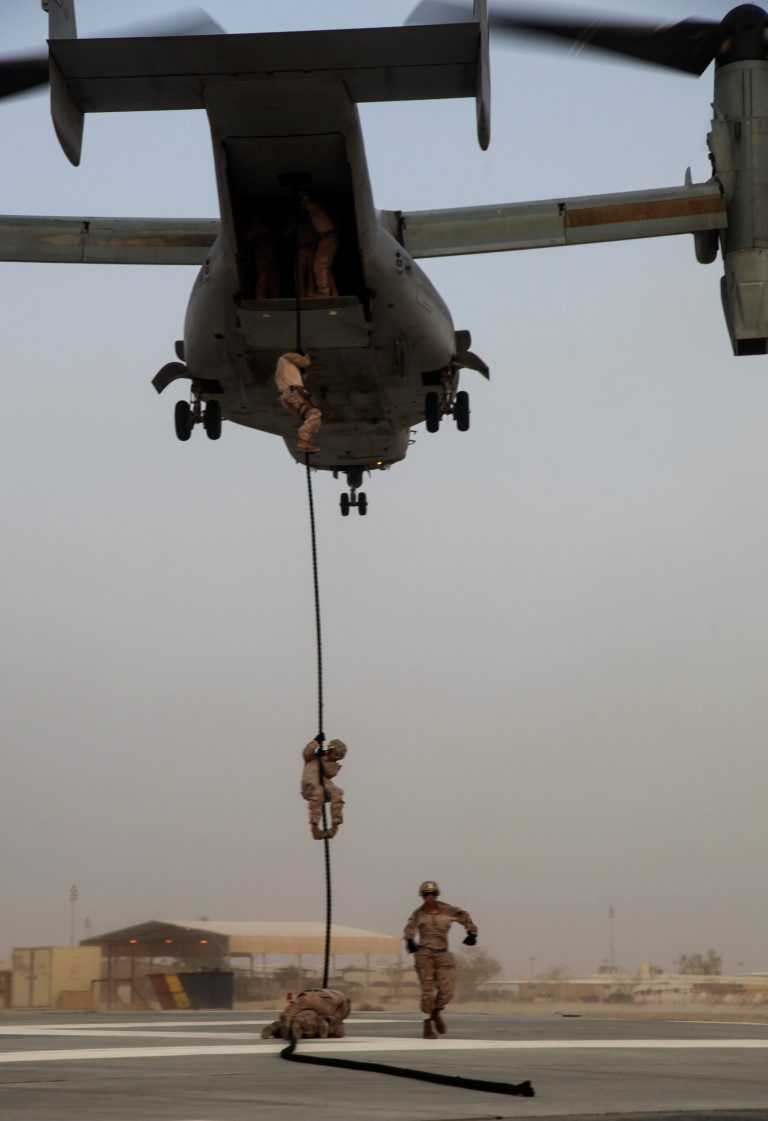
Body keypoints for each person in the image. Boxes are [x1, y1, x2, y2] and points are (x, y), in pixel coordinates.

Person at [403, 880, 478, 1039]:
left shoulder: (447, 910)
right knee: (428, 993)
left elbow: (464, 916)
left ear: (437, 895)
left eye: (433, 894)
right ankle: (427, 1024)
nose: (430, 897)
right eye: (426, 895)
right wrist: (410, 940)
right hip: (425, 954)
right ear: (422, 897)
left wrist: (471, 933)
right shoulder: (418, 914)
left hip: (443, 954)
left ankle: (436, 1011)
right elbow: (410, 926)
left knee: (447, 991)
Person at [274, 351, 321, 454]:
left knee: (309, 419)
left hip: (287, 397)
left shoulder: (285, 369)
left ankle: (306, 440)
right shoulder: (287, 356)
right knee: (314, 414)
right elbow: (304, 363)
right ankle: (304, 442)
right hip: (294, 393)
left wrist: (302, 373)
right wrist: (306, 356)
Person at [260, 988, 351, 1041]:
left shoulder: (335, 993)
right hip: (325, 1001)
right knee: (317, 1023)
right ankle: (316, 1024)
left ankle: (279, 1025)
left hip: (305, 996)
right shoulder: (343, 1005)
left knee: (294, 1015)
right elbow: (339, 1028)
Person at [301, 737, 347, 840]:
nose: (335, 759)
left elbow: (330, 772)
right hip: (311, 783)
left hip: (324, 784)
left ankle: (334, 827)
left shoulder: (331, 764)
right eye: (335, 755)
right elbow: (306, 753)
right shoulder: (313, 757)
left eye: (338, 758)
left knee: (337, 793)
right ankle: (315, 828)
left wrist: (325, 759)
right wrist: (316, 742)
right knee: (319, 792)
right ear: (331, 750)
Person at [298, 193, 339, 298]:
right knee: (325, 267)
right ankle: (333, 292)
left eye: (305, 199)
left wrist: (305, 199)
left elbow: (305, 205)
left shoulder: (316, 207)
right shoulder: (314, 210)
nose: (303, 202)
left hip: (328, 239)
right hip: (327, 238)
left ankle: (324, 291)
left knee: (319, 265)